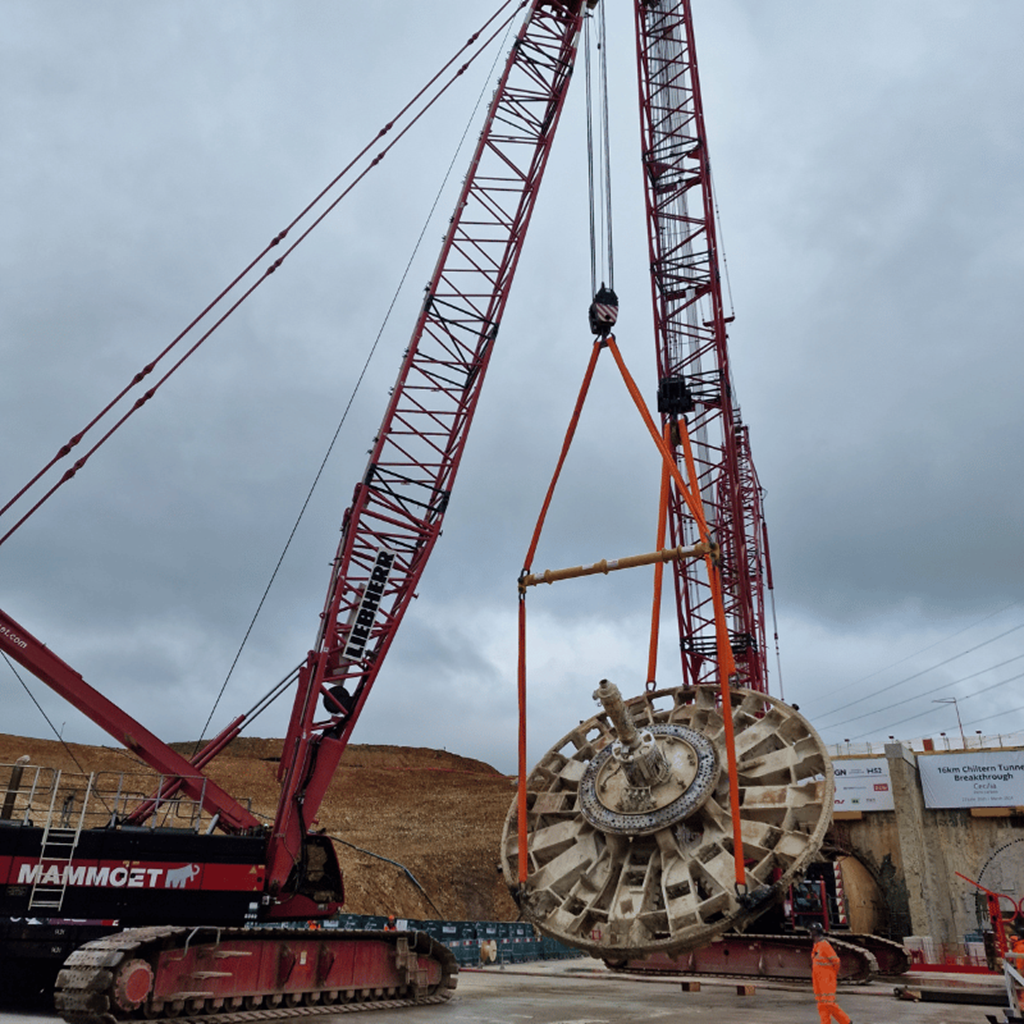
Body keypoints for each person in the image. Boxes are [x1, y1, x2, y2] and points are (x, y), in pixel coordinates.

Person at [810, 923, 852, 1024]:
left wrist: (833, 974)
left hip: (827, 980)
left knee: (828, 1003)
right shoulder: (817, 945)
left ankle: (846, 1022)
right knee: (822, 1005)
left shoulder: (824, 945)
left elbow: (836, 961)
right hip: (819, 981)